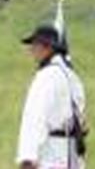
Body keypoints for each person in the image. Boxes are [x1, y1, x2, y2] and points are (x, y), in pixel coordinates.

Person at [16, 25, 87, 169]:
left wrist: (28, 157)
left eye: (35, 45)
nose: (31, 50)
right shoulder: (71, 75)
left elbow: (35, 116)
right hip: (72, 154)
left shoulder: (46, 76)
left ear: (47, 47)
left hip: (51, 156)